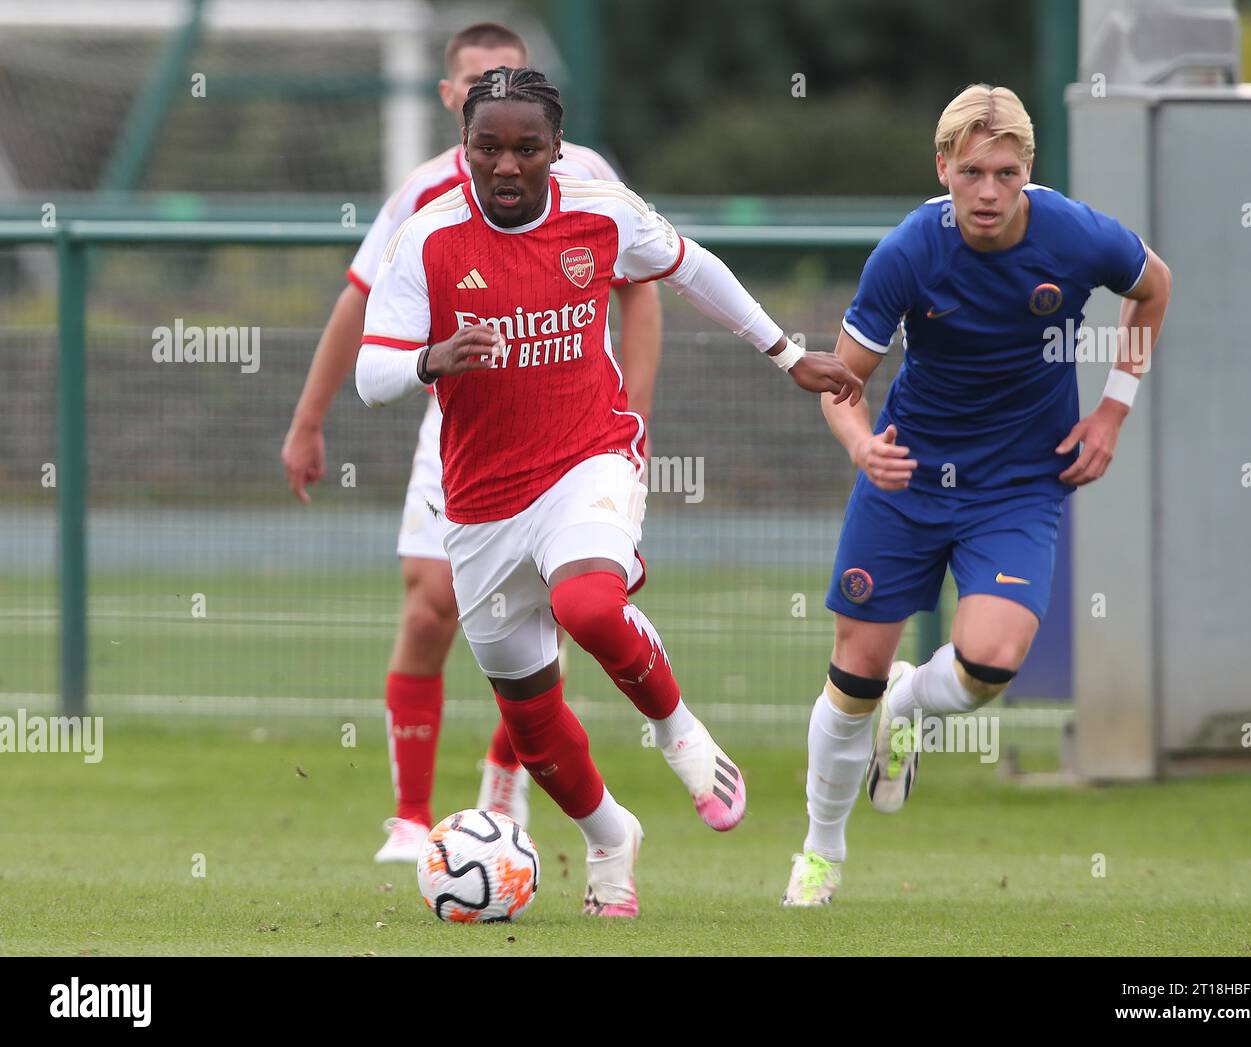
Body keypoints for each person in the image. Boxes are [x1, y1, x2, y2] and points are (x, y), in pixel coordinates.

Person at [357, 66, 862, 916]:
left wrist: (786, 352)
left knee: (590, 605)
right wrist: (427, 360)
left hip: (587, 458)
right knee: (529, 717)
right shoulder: (430, 238)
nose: (507, 165)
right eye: (489, 147)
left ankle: (679, 731)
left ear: (556, 149)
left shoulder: (601, 209)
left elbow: (691, 268)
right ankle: (609, 841)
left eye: (527, 148)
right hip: (479, 505)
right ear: (465, 149)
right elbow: (372, 374)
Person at [280, 23, 663, 862]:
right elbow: (360, 305)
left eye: (510, 77)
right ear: (452, 100)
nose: (494, 92)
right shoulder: (421, 196)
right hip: (461, 425)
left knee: (558, 596)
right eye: (475, 82)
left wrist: (631, 410)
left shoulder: (586, 177)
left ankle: (507, 771)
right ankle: (411, 817)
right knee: (431, 604)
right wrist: (309, 419)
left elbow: (648, 286)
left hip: (568, 427)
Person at [782, 84, 1172, 906]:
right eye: (970, 172)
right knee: (853, 676)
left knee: (992, 661)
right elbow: (839, 383)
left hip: (1020, 482)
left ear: (1029, 170)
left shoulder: (1076, 236)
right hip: (908, 476)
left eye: (1004, 172)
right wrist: (863, 450)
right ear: (943, 170)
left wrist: (1112, 408)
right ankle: (819, 853)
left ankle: (912, 705)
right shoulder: (907, 253)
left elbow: (1154, 287)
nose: (988, 191)